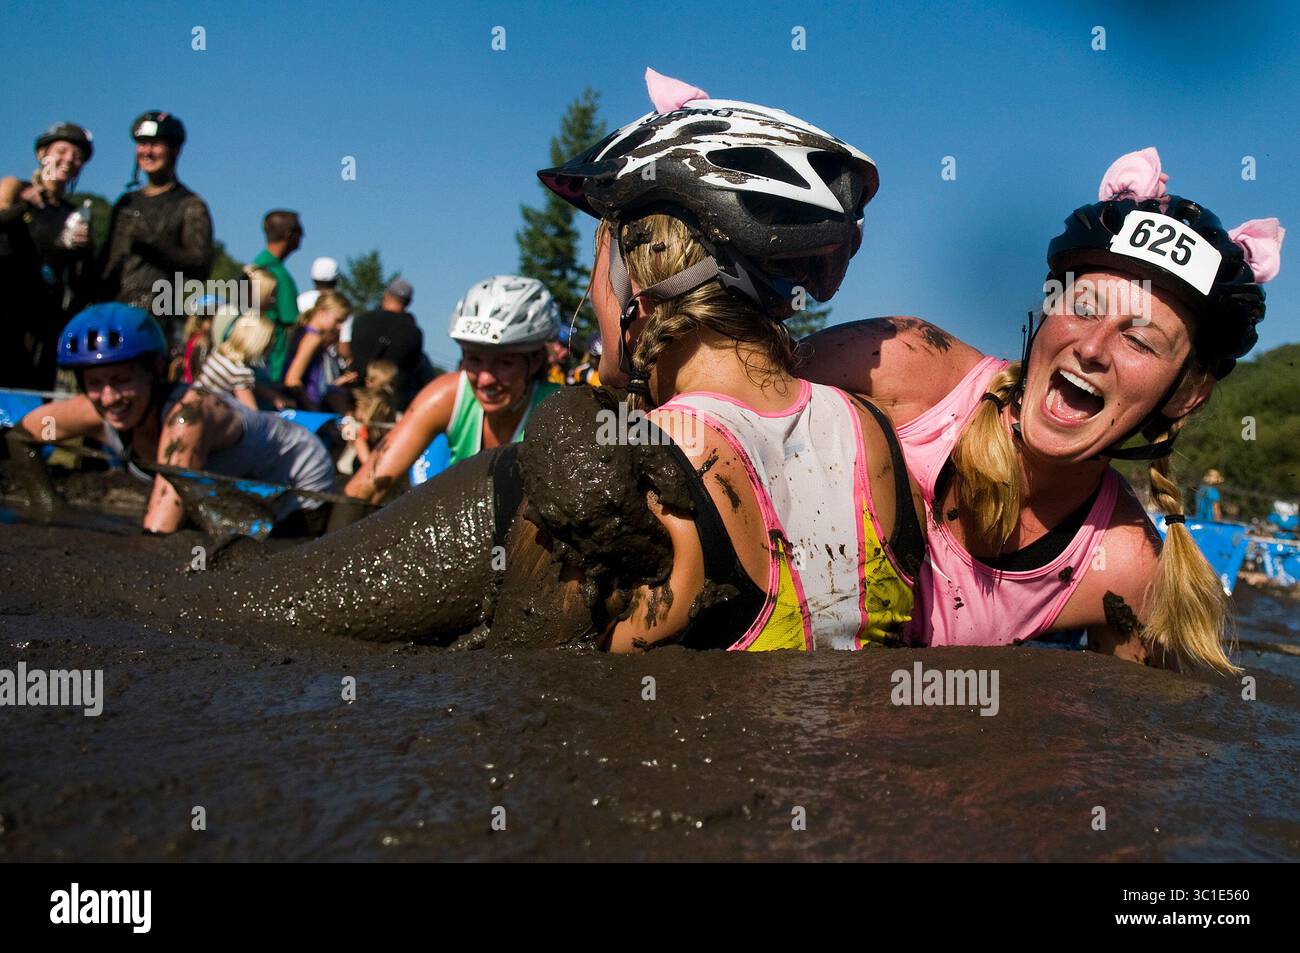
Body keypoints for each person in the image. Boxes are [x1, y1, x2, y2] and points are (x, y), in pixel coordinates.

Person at [801, 147, 1284, 672]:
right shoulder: (898, 362)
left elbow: (1135, 741)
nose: (1093, 348)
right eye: (1082, 307)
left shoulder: (1126, 569)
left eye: (1141, 342)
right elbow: (717, 389)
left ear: (1187, 393)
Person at [531, 67, 923, 652]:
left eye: (599, 263)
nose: (591, 296)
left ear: (641, 271)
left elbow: (528, 693)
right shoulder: (877, 436)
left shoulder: (640, 463)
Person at [19, 303, 336, 535]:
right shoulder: (94, 408)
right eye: (94, 383)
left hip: (295, 480)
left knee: (257, 549)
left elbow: (158, 534)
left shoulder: (187, 419)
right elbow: (22, 436)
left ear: (154, 372)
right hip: (230, 482)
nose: (109, 397)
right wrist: (47, 505)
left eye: (122, 379)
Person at [343, 275, 560, 504]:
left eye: (504, 363)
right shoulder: (449, 394)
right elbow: (365, 487)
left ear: (535, 361)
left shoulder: (556, 411)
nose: (485, 379)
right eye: (474, 360)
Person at [0, 122, 96, 389]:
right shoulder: (13, 188)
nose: (70, 160)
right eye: (62, 151)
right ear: (42, 153)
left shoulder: (73, 214)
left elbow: (82, 283)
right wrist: (21, 203)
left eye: (78, 157)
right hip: (7, 314)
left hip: (44, 324)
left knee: (31, 404)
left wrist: (83, 250)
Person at [98, 112, 213, 333]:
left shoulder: (190, 205)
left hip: (156, 323)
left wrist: (151, 240)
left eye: (155, 144)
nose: (147, 151)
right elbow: (106, 263)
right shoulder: (126, 202)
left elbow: (199, 266)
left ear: (175, 150)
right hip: (111, 317)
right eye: (142, 144)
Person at [347, 278, 424, 410]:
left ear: (385, 295)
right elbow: (414, 367)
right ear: (409, 302)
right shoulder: (413, 333)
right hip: (391, 404)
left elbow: (351, 352)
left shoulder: (362, 320)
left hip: (357, 398)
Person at [252, 210, 303, 382]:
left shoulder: (256, 265)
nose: (303, 236)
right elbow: (292, 323)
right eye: (300, 231)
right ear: (289, 234)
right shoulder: (278, 275)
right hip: (272, 367)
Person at [283, 291, 348, 410]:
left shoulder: (303, 331)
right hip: (306, 406)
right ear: (322, 312)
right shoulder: (313, 338)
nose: (339, 327)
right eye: (338, 320)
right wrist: (311, 408)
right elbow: (292, 379)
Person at [196, 314, 274, 411]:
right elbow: (252, 412)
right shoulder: (240, 372)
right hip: (208, 415)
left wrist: (271, 395)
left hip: (196, 404)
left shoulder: (218, 353)